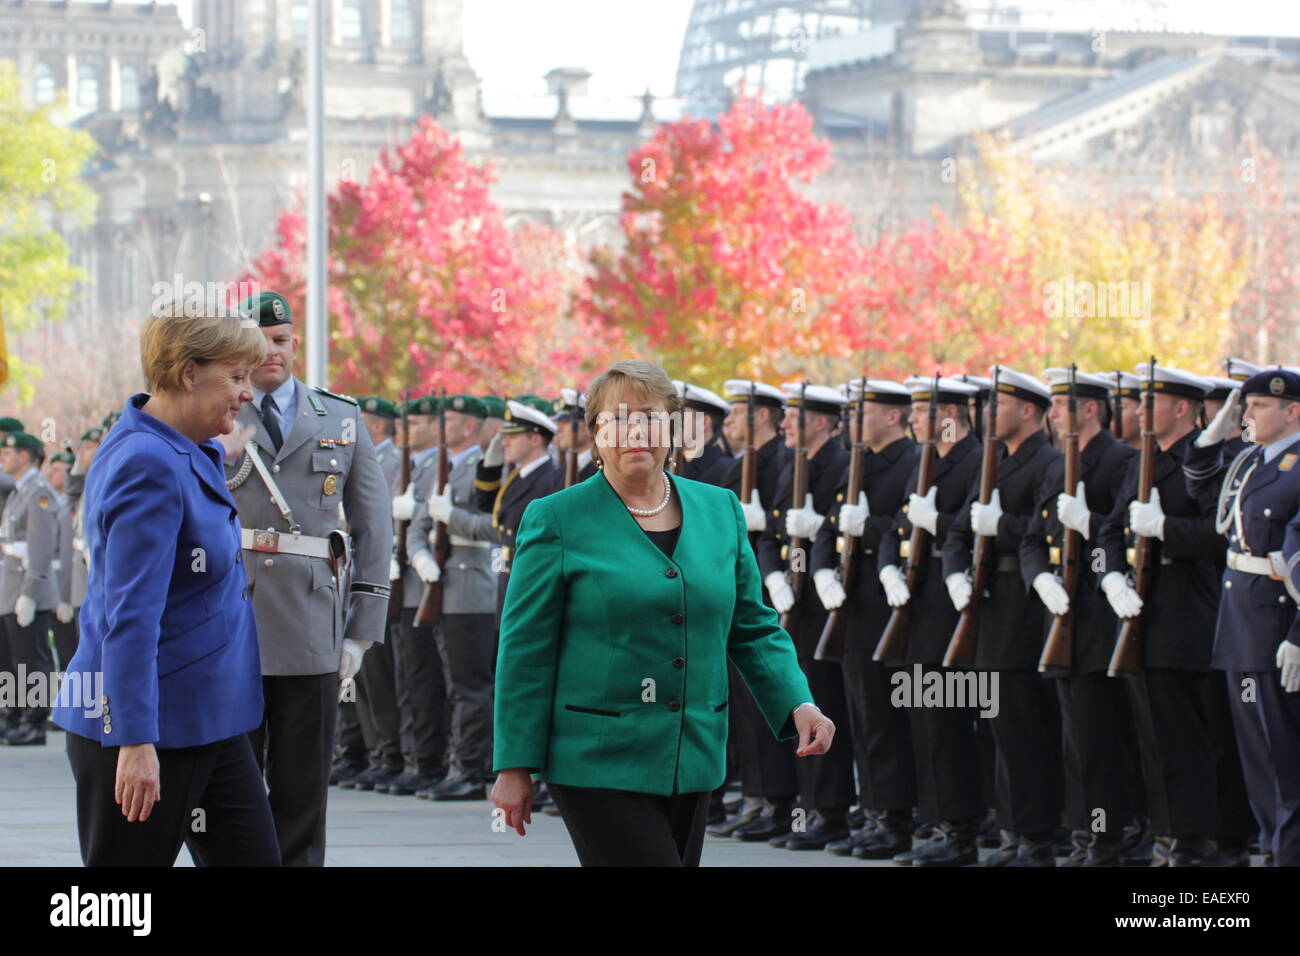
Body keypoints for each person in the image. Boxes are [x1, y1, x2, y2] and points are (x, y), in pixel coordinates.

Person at [491, 359, 834, 866]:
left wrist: (797, 703)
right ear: (596, 434)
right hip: (596, 758)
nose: (636, 431)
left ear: (671, 428)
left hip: (690, 753)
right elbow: (526, 648)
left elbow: (753, 627)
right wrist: (514, 765)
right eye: (618, 418)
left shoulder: (719, 509)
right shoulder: (557, 518)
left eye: (650, 417)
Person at [52, 305, 278, 867]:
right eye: (236, 376)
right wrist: (132, 739)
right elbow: (130, 614)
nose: (246, 393)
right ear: (187, 373)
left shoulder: (183, 447)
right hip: (149, 729)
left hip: (208, 718)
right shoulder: (147, 462)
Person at [221, 291, 392, 866]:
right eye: (260, 341)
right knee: (229, 789)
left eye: (282, 340)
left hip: (312, 624)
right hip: (231, 620)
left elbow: (374, 526)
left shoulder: (340, 417)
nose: (273, 351)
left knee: (302, 792)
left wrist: (361, 631)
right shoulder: (217, 414)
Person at [942, 367, 1062, 866]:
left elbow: (1041, 533)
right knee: (996, 730)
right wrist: (955, 576)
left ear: (1029, 411)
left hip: (1022, 611)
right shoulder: (994, 462)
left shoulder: (1049, 462)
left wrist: (1003, 526)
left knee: (1024, 732)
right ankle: (1011, 832)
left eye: (1000, 405)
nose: (989, 414)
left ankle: (1036, 839)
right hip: (986, 611)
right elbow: (957, 533)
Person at [1186, 368, 1300, 865]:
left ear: (1292, 410)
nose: (1246, 415)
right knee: (1257, 761)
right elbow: (1202, 494)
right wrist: (1210, 439)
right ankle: (1274, 850)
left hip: (1277, 629)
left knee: (1285, 762)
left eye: (1257, 407)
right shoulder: (1251, 460)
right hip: (1241, 628)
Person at [810, 378, 919, 859]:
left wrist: (870, 529)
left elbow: (907, 527)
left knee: (886, 722)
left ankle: (895, 820)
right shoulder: (858, 464)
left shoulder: (912, 462)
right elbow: (830, 528)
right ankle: (874, 814)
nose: (853, 420)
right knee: (863, 716)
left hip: (885, 606)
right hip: (852, 607)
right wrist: (819, 572)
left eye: (864, 411)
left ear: (893, 416)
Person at [413, 394, 498, 799]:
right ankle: (456, 764)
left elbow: (499, 528)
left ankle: (473, 769)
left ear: (470, 427)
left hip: (471, 588)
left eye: (451, 419)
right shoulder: (437, 466)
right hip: (441, 586)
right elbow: (416, 521)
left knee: (471, 687)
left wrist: (454, 518)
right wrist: (419, 556)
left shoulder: (486, 466)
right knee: (450, 683)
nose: (441, 425)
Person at [0, 431, 59, 745]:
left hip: (27, 591)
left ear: (25, 456)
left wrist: (30, 592)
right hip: (10, 589)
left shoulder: (38, 492)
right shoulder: (18, 492)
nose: (3, 459)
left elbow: (40, 548)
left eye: (8, 454)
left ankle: (34, 721)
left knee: (31, 662)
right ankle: (15, 715)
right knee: (10, 661)